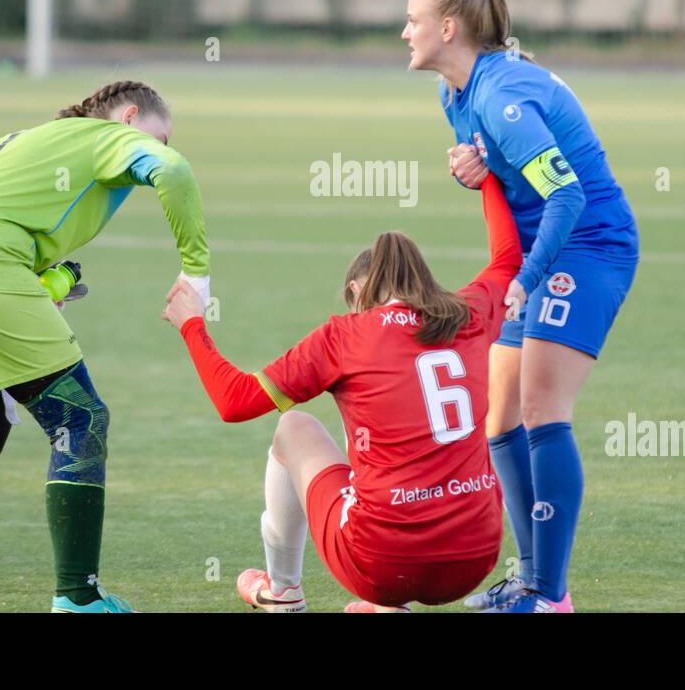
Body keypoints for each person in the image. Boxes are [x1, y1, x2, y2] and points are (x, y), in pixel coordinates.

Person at [0, 80, 210, 613]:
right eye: (158, 136)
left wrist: (46, 285)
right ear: (128, 119)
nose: (158, 149)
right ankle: (78, 596)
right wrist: (197, 273)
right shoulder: (104, 138)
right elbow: (174, 172)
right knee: (80, 420)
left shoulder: (28, 141)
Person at [161, 176, 521, 612]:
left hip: (381, 565)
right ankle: (388, 606)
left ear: (355, 291)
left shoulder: (345, 337)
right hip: (473, 558)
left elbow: (233, 402)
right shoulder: (468, 312)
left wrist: (191, 325)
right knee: (383, 442)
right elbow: (508, 260)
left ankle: (283, 593)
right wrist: (486, 180)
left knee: (294, 426)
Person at [402, 0, 639, 613]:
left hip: (586, 245)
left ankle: (551, 596)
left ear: (448, 28)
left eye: (413, 20)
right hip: (546, 250)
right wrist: (473, 172)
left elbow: (567, 193)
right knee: (498, 411)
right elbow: (508, 175)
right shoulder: (456, 94)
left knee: (540, 406)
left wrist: (525, 279)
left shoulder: (501, 95)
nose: (404, 32)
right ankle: (531, 580)